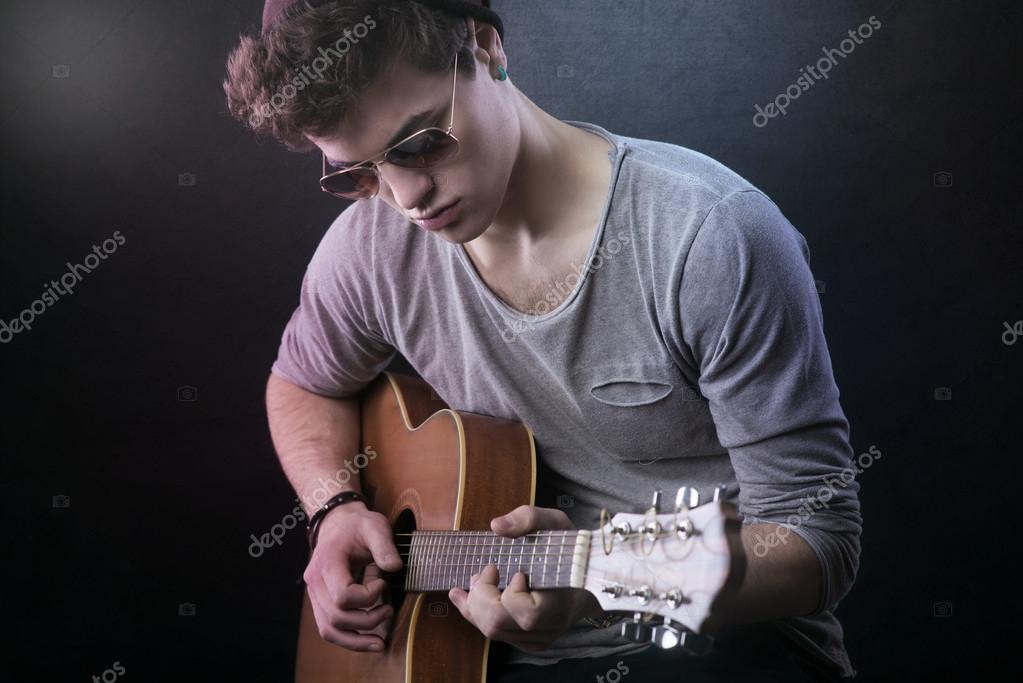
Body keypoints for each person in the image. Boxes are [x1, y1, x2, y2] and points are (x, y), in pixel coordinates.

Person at [223, 1, 862, 680]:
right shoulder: (369, 249)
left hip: (704, 646)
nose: (405, 197)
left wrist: (600, 581)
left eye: (419, 143)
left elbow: (817, 542)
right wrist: (335, 507)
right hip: (475, 654)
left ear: (483, 46)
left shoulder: (708, 235)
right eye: (360, 173)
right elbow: (300, 380)